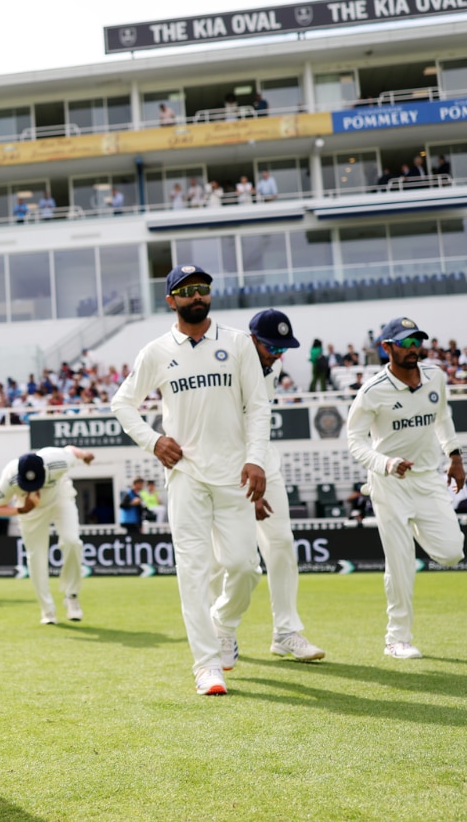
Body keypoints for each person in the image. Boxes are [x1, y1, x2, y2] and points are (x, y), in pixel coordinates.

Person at [111, 264, 269, 696]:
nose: (196, 296)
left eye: (202, 289)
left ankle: (224, 624)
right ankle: (207, 666)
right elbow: (122, 403)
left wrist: (256, 460)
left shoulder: (237, 343)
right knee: (194, 572)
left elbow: (258, 407)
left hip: (235, 474)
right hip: (185, 477)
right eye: (186, 291)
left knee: (244, 567)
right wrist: (153, 441)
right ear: (171, 301)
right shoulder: (157, 351)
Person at [346, 316, 465, 660]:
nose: (414, 349)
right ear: (387, 347)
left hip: (428, 479)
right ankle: (396, 639)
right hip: (389, 483)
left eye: (417, 342)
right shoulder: (372, 391)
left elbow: (442, 417)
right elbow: (354, 441)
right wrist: (385, 464)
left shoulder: (436, 377)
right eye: (406, 343)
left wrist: (454, 455)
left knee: (452, 552)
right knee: (399, 562)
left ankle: (411, 525)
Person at [227, 309, 325, 662]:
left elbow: (258, 423)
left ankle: (285, 632)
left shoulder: (276, 366)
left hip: (264, 461)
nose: (277, 355)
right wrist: (248, 484)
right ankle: (221, 633)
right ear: (251, 339)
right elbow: (229, 429)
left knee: (282, 542)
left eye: (283, 348)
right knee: (229, 560)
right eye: (271, 347)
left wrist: (258, 467)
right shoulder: (228, 366)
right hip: (227, 465)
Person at [0, 447, 94, 625]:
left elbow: (71, 450)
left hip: (60, 498)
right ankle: (47, 610)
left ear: (45, 471)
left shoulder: (57, 461)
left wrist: (85, 455)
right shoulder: (10, 476)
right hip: (29, 511)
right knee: (36, 557)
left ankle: (71, 595)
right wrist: (21, 509)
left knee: (72, 541)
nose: (34, 489)